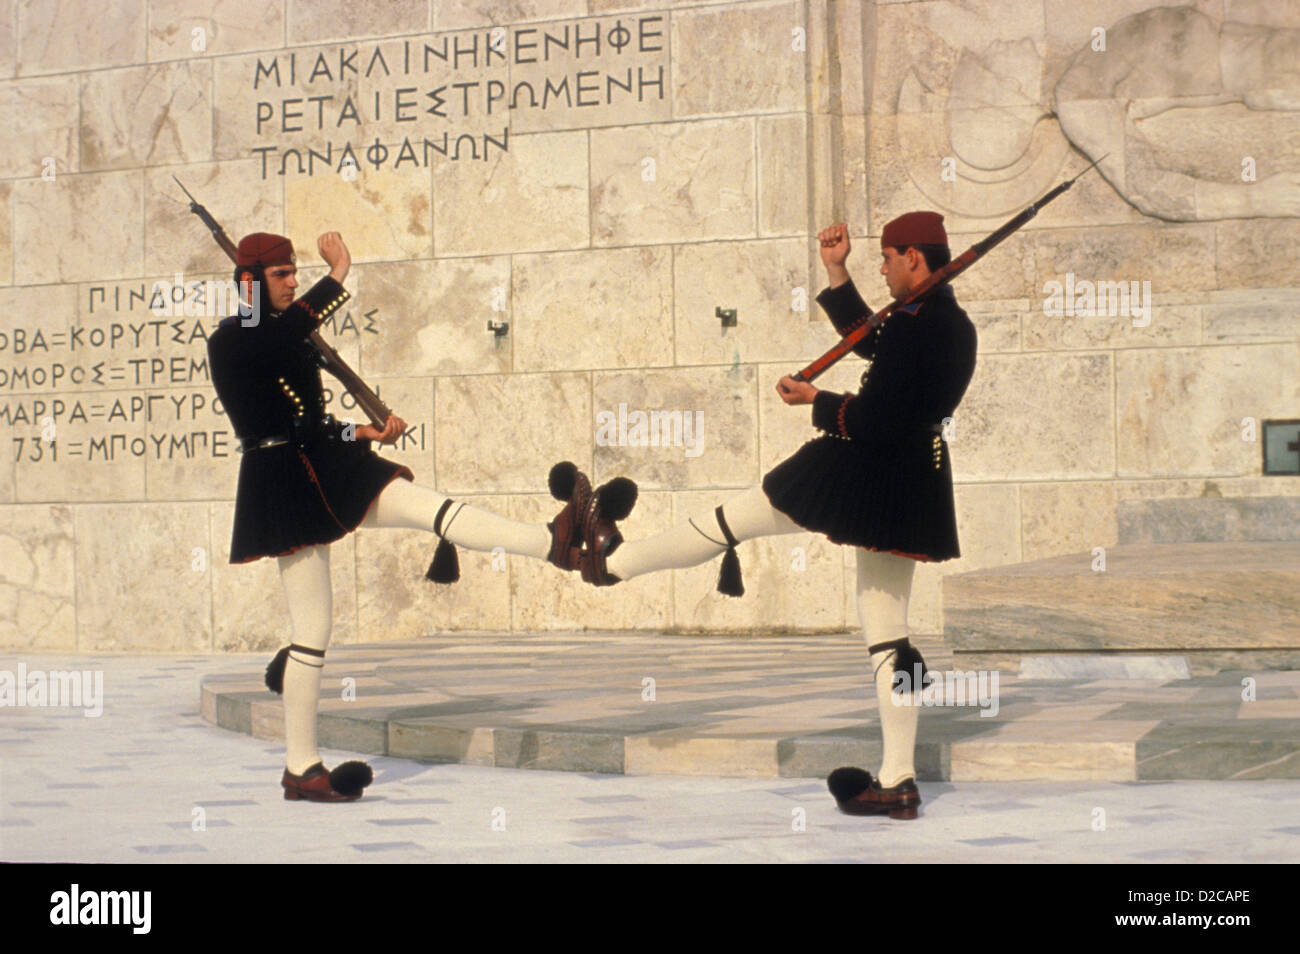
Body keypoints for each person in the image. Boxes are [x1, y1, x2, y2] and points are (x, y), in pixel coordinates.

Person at [566, 212, 979, 820]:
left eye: (887, 258)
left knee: (733, 520)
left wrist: (816, 402)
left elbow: (876, 419)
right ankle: (898, 779)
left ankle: (611, 561)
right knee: (888, 631)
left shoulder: (926, 327)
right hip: (910, 484)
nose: (882, 268)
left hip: (860, 468)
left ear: (914, 258)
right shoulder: (940, 322)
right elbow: (873, 341)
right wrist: (835, 271)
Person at [207, 231, 632, 802]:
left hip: (326, 463)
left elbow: (311, 422)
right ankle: (300, 767)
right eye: (281, 274)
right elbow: (277, 370)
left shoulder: (285, 336)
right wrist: (338, 272)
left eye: (293, 273)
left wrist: (365, 431)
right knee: (312, 633)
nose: (290, 281)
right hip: (282, 485)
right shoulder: (234, 340)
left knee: (431, 506)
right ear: (252, 283)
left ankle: (557, 542)